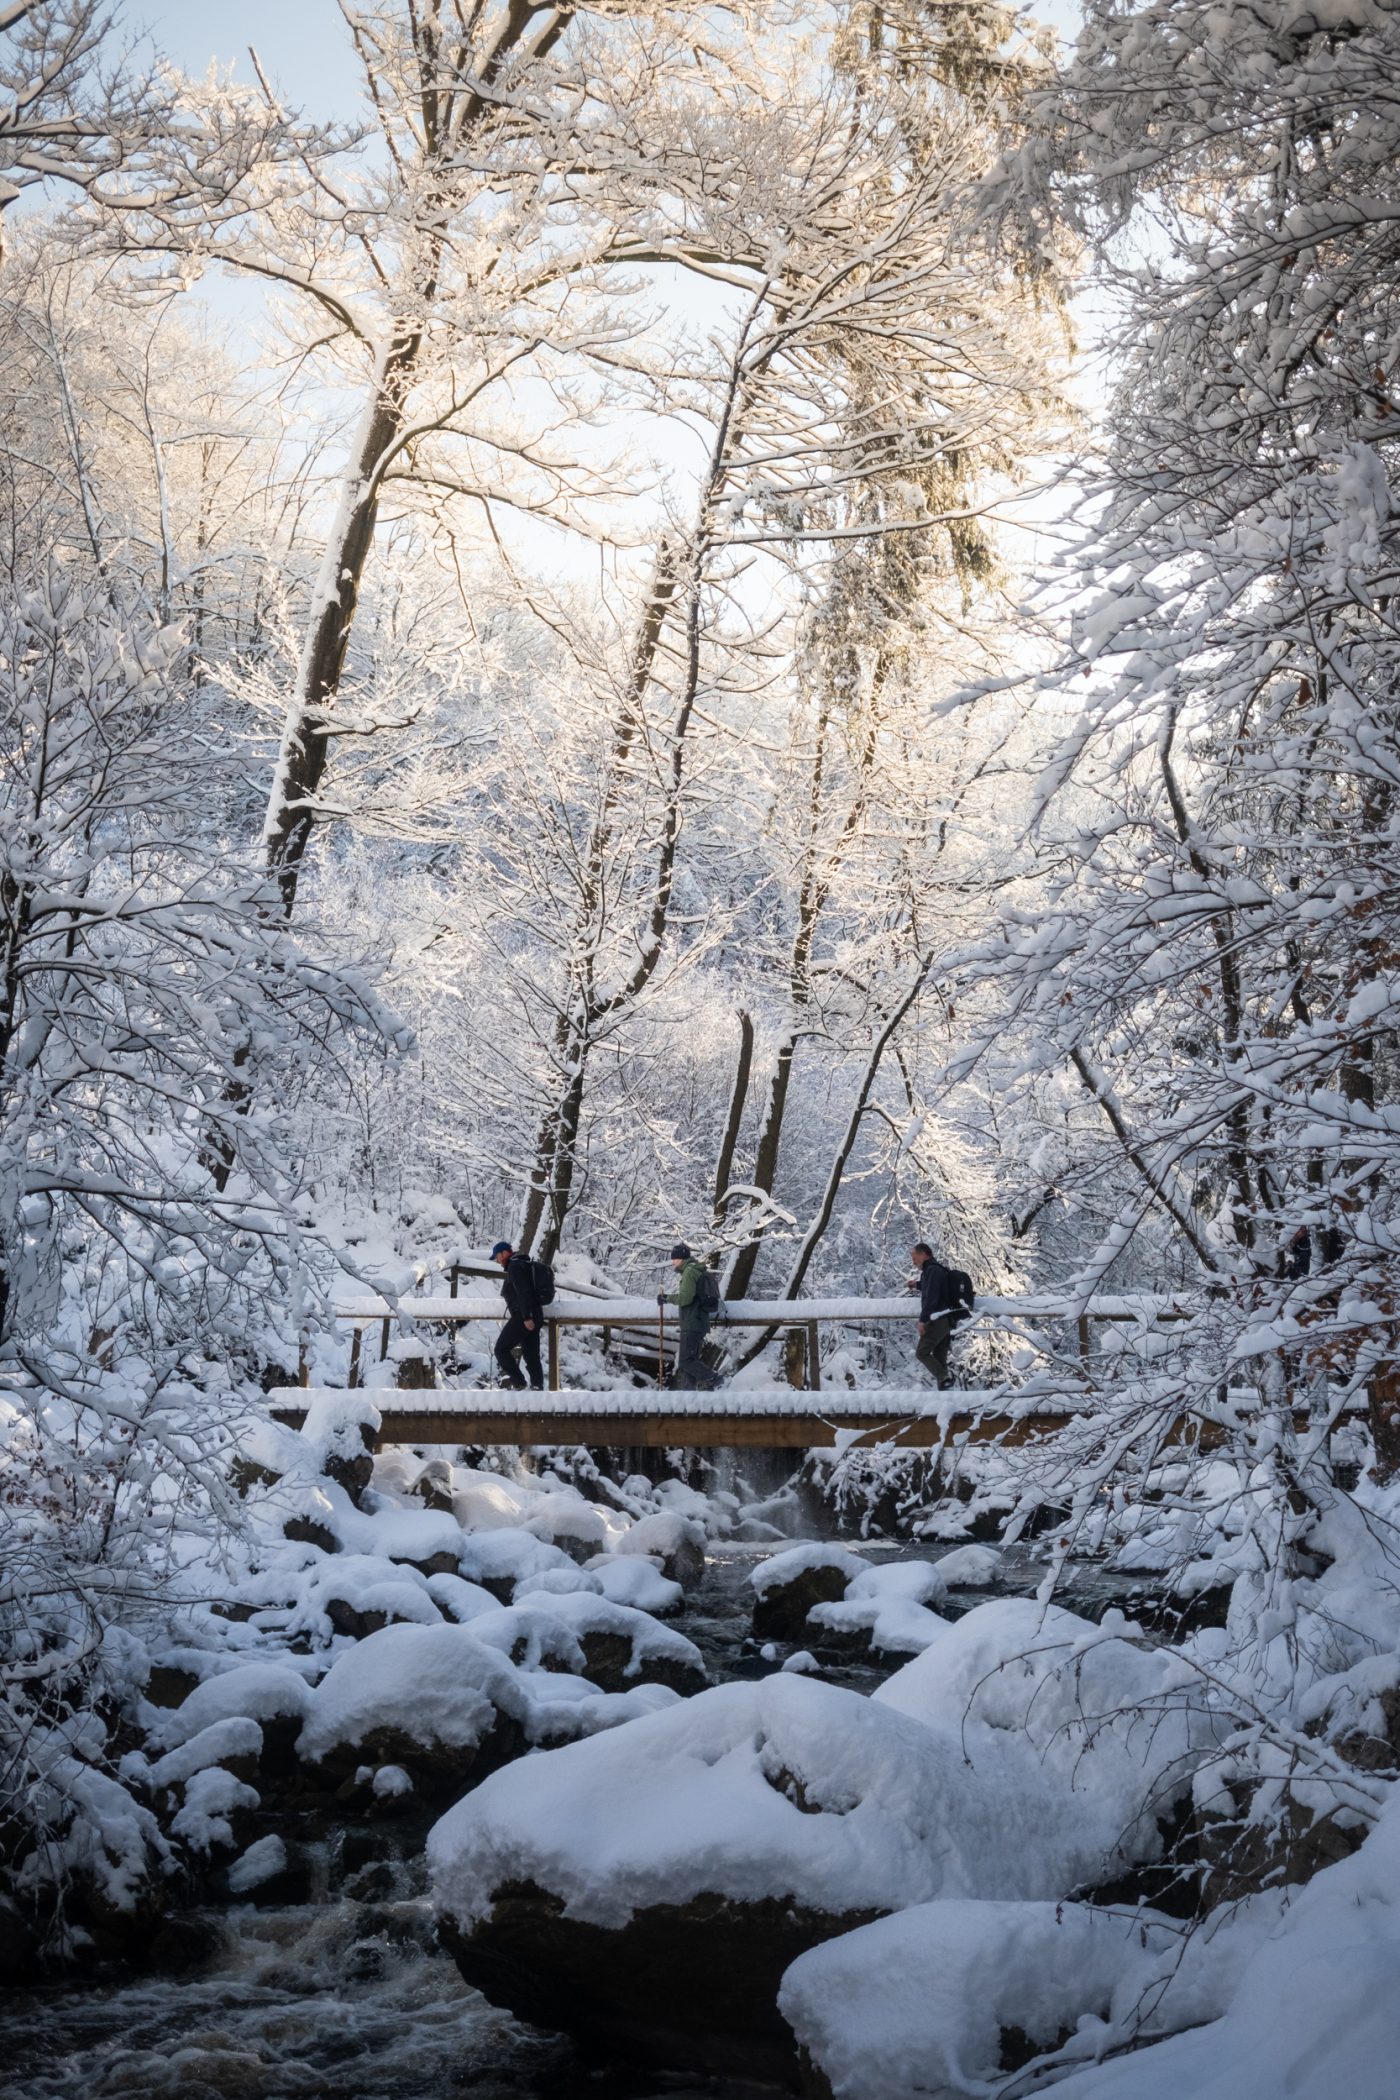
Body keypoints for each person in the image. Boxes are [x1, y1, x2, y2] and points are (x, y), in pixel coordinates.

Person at [908, 1240, 974, 1390]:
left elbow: (932, 1297)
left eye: (914, 1258)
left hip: (939, 1319)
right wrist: (917, 1285)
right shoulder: (935, 1270)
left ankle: (945, 1379)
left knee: (922, 1352)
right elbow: (934, 1287)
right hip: (947, 1319)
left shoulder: (932, 1270)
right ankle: (945, 1390)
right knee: (939, 1355)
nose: (913, 1262)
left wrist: (923, 1321)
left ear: (924, 1254)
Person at [658, 1241, 720, 1391]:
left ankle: (715, 1379)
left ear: (682, 1259)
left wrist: (667, 1298)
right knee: (691, 1361)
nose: (673, 1262)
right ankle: (690, 1392)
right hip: (698, 1322)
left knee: (686, 1362)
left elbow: (686, 1298)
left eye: (675, 1259)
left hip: (692, 1322)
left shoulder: (690, 1272)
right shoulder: (695, 1270)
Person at [491, 1238, 544, 1392]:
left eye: (497, 1256)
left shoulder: (514, 1267)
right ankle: (537, 1387)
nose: (497, 1260)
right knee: (531, 1354)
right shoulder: (522, 1264)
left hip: (524, 1316)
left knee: (501, 1349)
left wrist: (526, 1317)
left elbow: (523, 1292)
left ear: (504, 1253)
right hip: (536, 1314)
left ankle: (519, 1383)